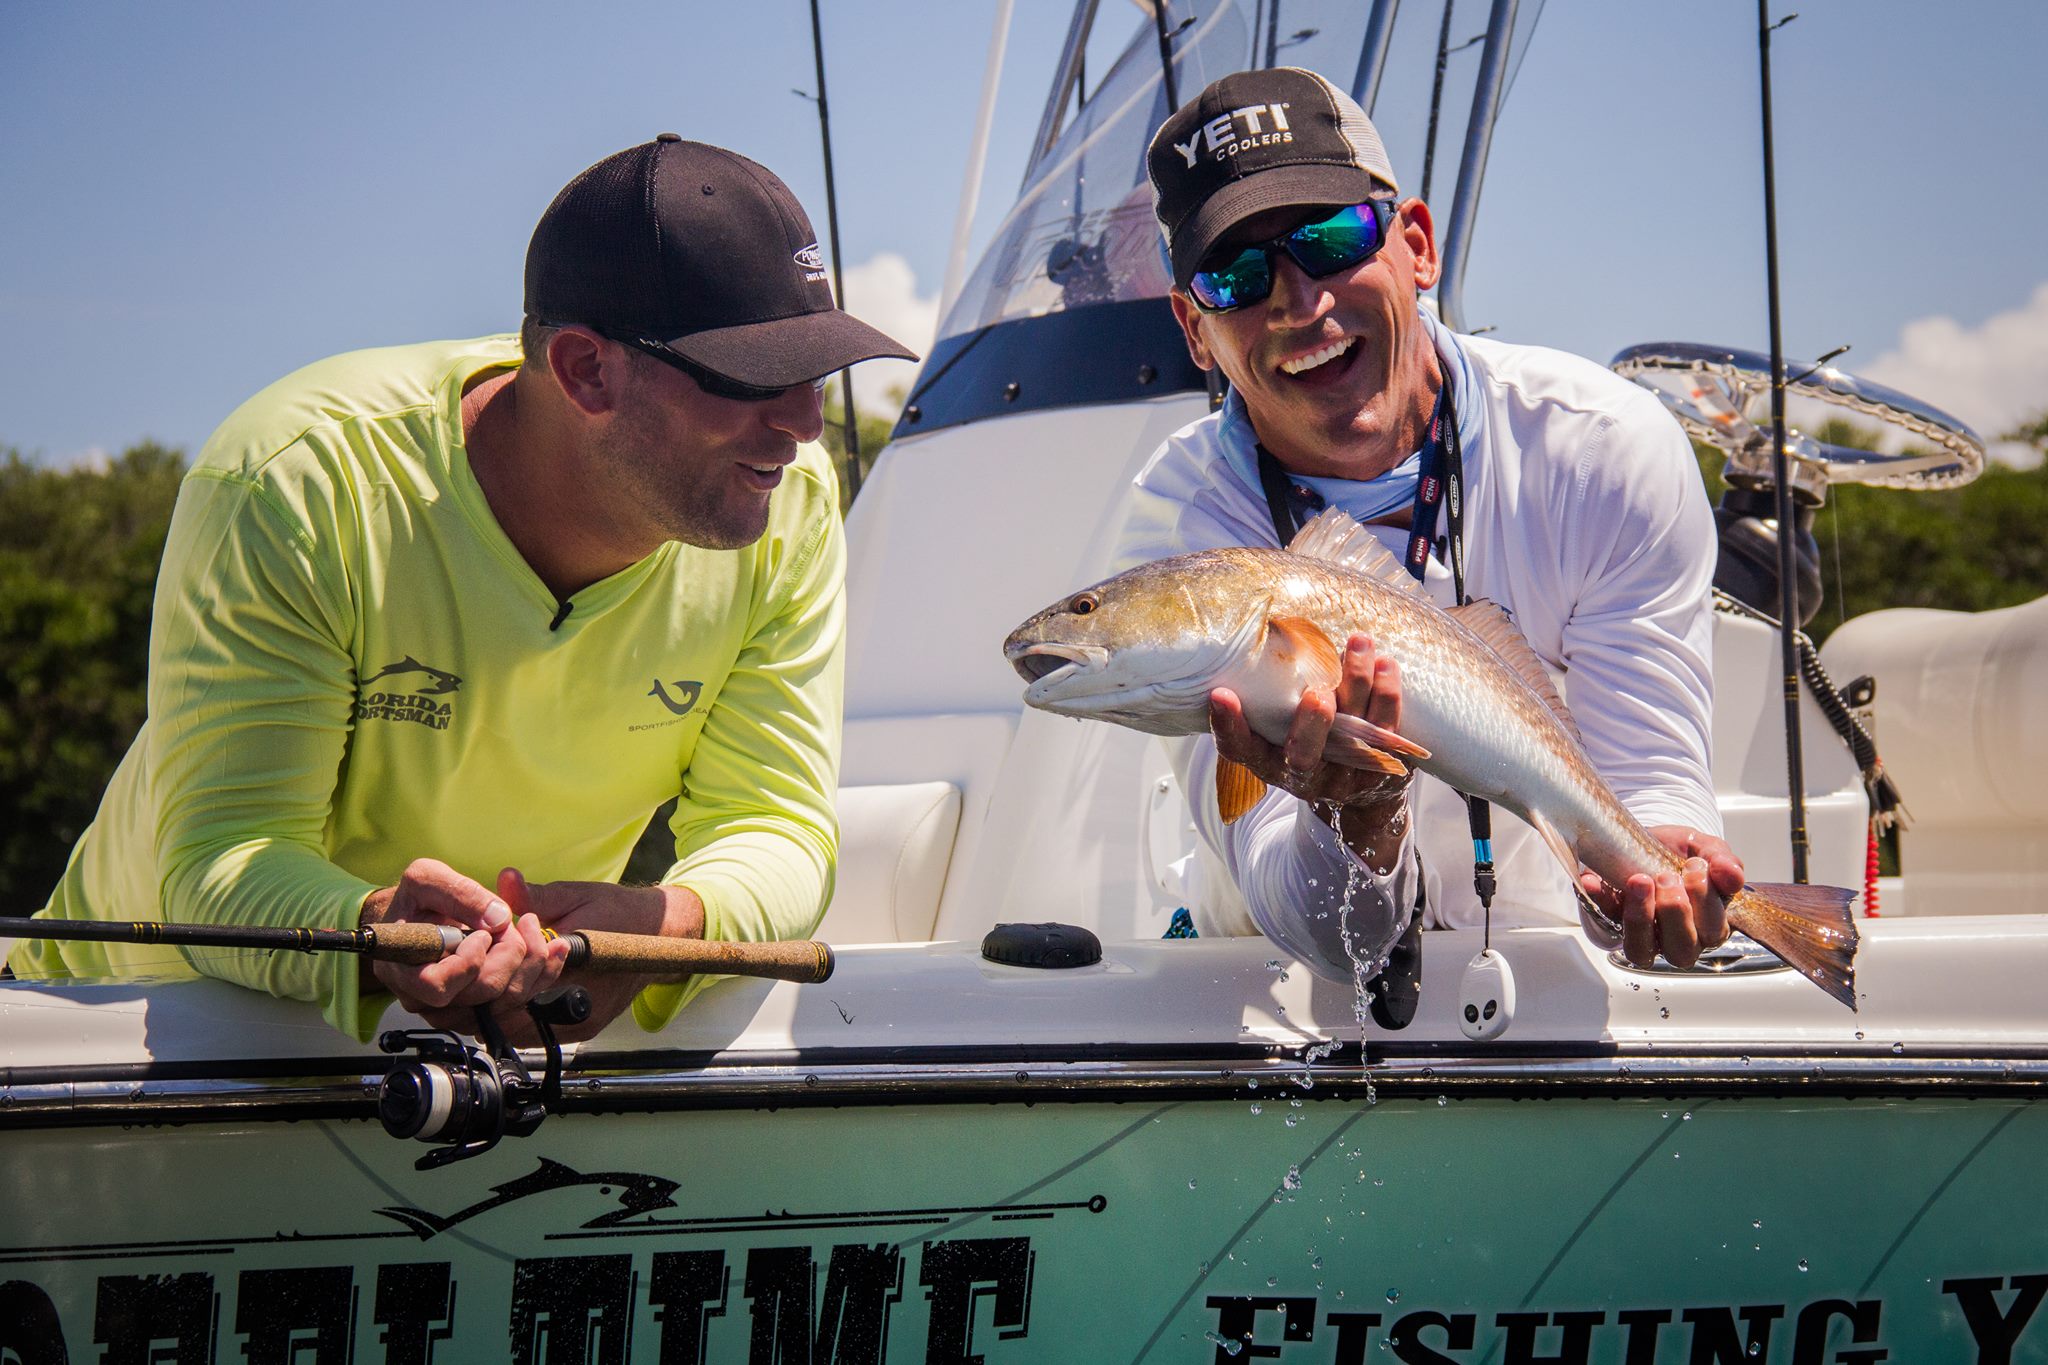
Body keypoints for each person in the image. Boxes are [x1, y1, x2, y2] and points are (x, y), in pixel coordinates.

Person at [8, 134, 915, 1041]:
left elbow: (780, 829)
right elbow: (218, 861)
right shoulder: (295, 479)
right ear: (583, 370)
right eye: (754, 376)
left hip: (464, 1067)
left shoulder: (787, 503)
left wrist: (661, 931)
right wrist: (377, 933)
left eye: (816, 372)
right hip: (103, 1040)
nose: (803, 424)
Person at [1120, 69, 1744, 986]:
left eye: (1332, 239)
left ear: (1416, 244)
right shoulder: (1182, 527)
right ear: (1192, 327)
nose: (1298, 303)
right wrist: (1358, 821)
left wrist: (1666, 870)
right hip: (1267, 1007)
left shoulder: (1605, 449)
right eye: (1236, 276)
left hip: (1541, 982)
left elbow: (1649, 789)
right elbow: (1321, 936)